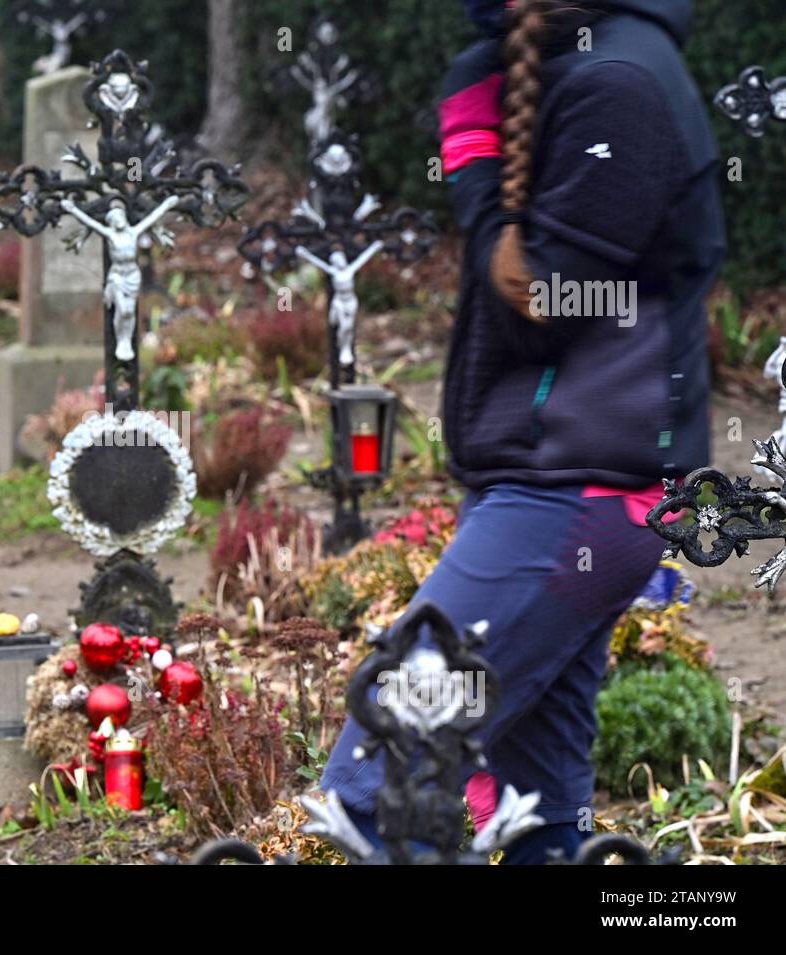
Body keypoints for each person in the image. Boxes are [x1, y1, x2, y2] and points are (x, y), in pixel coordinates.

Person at [320, 0, 725, 863]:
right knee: (537, 807)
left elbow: (543, 303)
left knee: (387, 764)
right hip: (573, 484)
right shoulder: (598, 62)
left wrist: (471, 159)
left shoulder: (618, 83)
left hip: (574, 487)